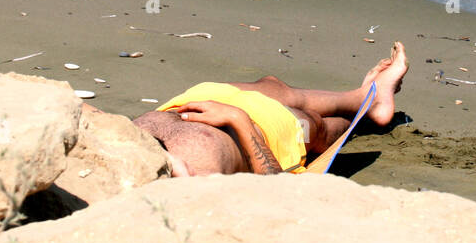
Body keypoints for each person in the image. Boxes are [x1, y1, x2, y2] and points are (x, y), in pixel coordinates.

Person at [132, 42, 408, 176]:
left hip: (189, 104)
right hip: (259, 132)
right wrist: (238, 120)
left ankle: (366, 99)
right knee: (313, 127)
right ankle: (361, 118)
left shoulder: (115, 159)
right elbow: (274, 190)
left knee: (273, 86)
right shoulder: (187, 186)